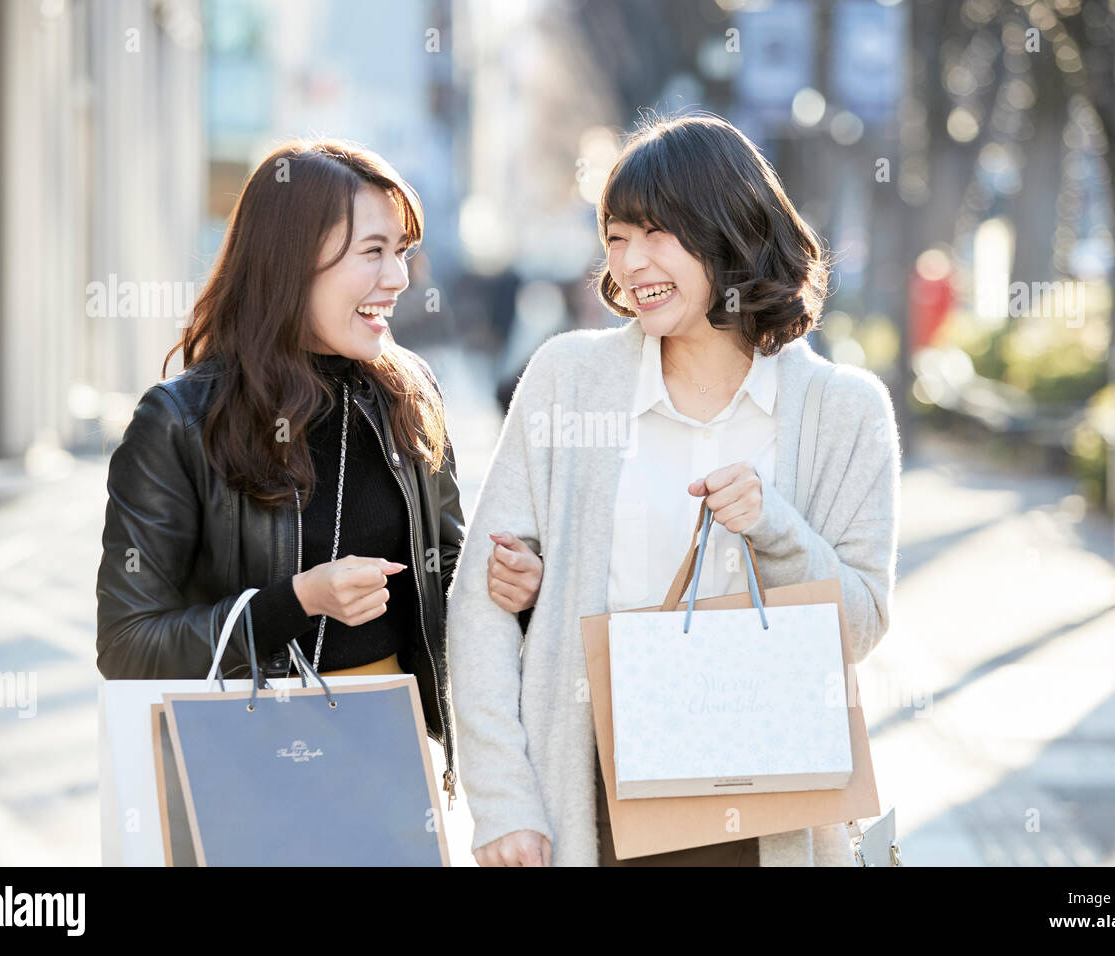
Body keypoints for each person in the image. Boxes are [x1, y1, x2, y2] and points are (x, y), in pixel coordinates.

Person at [447, 114, 901, 866]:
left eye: (657, 233)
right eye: (616, 238)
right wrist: (502, 801)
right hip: (591, 804)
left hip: (768, 811)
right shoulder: (569, 379)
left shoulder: (844, 410)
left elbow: (859, 627)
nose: (629, 263)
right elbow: (481, 604)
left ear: (730, 230)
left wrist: (775, 529)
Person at [95, 139, 541, 810]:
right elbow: (129, 646)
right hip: (236, 770)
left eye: (403, 253)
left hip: (390, 757)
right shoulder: (181, 422)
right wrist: (294, 602)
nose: (398, 279)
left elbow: (445, 578)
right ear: (291, 261)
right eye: (373, 252)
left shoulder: (409, 393)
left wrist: (515, 589)